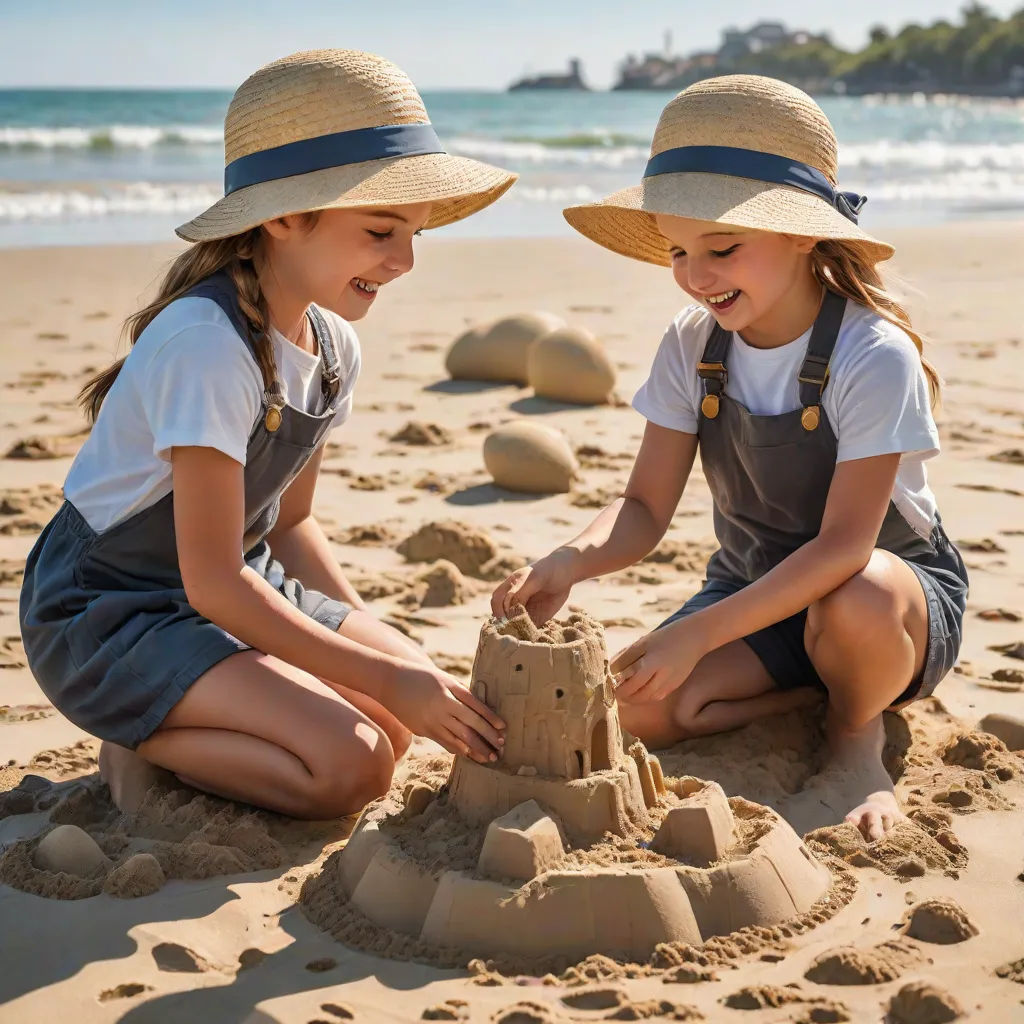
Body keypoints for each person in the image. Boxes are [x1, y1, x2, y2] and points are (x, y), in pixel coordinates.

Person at [20, 49, 517, 820]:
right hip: (110, 612)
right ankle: (134, 743)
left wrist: (382, 654)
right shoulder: (207, 344)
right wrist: (377, 678)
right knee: (351, 768)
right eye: (382, 230)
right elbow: (213, 580)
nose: (406, 260)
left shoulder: (332, 347)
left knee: (397, 723)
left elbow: (290, 524)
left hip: (230, 587)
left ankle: (210, 703)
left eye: (415, 234)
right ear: (285, 217)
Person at [491, 75, 968, 841]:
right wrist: (570, 560)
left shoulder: (870, 352)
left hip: (885, 597)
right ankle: (818, 691)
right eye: (678, 250)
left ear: (804, 233)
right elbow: (643, 509)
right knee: (640, 705)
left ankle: (855, 731)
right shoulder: (694, 345)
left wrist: (702, 635)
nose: (695, 275)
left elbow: (846, 547)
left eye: (723, 248)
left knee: (857, 599)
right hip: (753, 587)